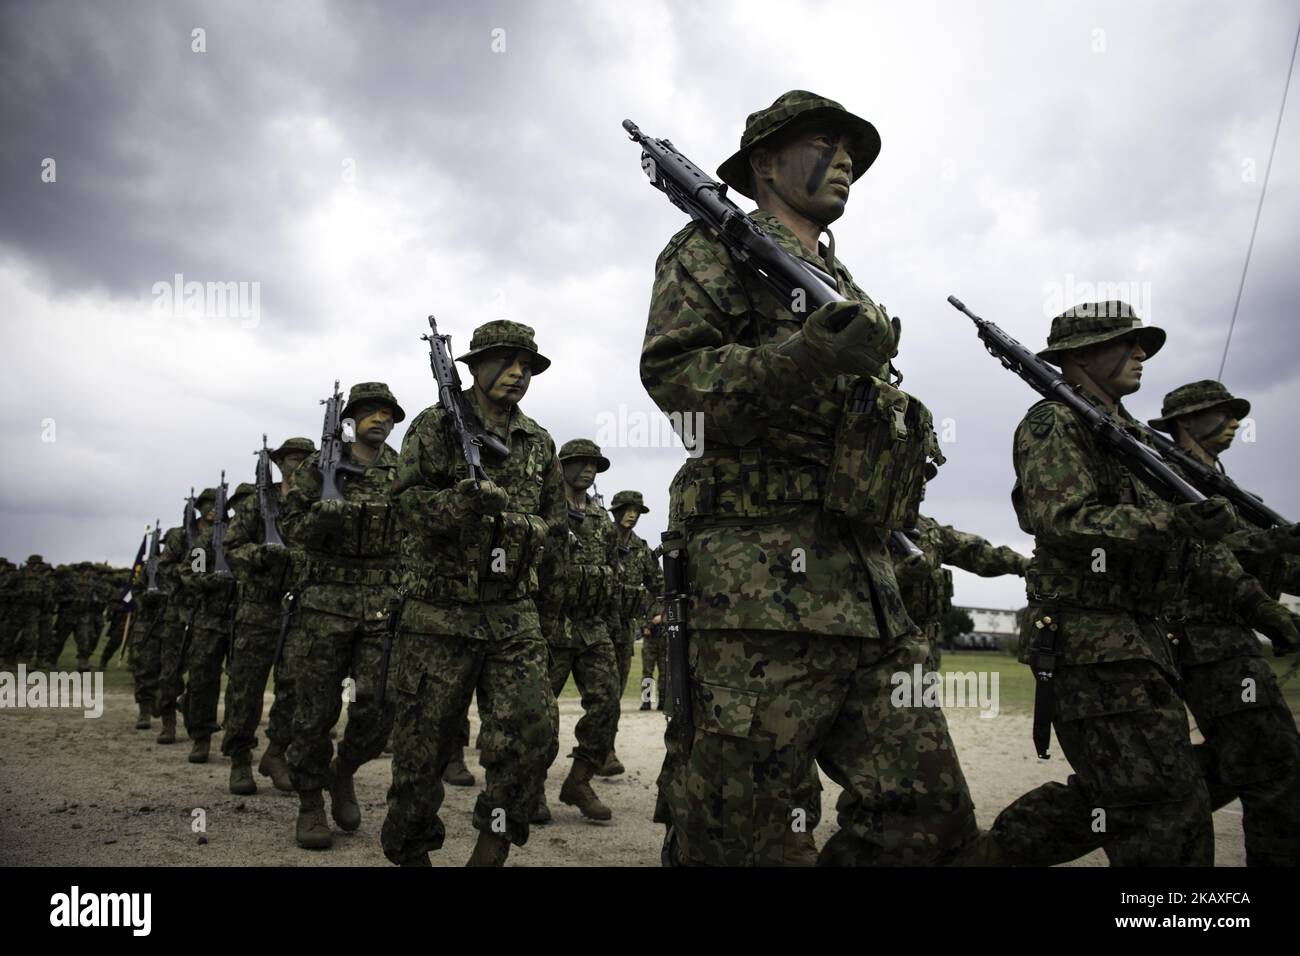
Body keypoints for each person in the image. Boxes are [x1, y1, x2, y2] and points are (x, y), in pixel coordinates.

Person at [640, 90, 976, 865]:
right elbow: (680, 387)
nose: (846, 160)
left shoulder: (841, 280)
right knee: (742, 838)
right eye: (825, 143)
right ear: (764, 164)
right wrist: (807, 355)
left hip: (870, 588)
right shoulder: (712, 248)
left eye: (851, 150)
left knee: (930, 820)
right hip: (759, 592)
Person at [981, 303, 1298, 866]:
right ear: (1080, 356)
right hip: (1092, 642)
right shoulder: (1055, 422)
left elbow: (1196, 548)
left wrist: (1264, 607)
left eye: (1141, 345)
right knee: (1160, 809)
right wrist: (1174, 522)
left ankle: (986, 855)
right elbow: (1063, 519)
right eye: (1124, 343)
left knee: (1156, 798)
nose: (1141, 354)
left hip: (1142, 640)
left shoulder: (1133, 437)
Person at [380, 320, 564, 867]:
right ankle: (411, 851)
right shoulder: (435, 426)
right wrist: (459, 503)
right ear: (475, 366)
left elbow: (557, 533)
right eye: (506, 362)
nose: (518, 374)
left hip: (513, 613)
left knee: (532, 734)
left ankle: (492, 848)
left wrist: (549, 610)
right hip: (438, 612)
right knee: (422, 747)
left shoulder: (538, 442)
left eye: (527, 366)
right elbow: (404, 505)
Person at [280, 383, 403, 850]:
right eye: (371, 411)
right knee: (313, 710)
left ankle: (343, 769)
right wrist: (321, 518)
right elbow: (288, 528)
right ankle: (311, 802)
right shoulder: (319, 466)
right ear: (351, 419)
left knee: (380, 704)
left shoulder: (402, 470)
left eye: (387, 413)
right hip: (323, 604)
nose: (381, 419)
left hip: (381, 605)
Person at [220, 439, 314, 794]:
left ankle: (277, 752)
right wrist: (260, 555)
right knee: (245, 689)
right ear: (279, 463)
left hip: (300, 610)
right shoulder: (258, 504)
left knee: (295, 688)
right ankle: (239, 759)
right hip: (257, 611)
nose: (299, 465)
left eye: (306, 459)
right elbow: (231, 547)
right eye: (293, 458)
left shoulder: (316, 503)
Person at [534, 438, 621, 823]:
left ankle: (579, 779)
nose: (588, 469)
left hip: (591, 626)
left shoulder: (603, 521)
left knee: (607, 703)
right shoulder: (545, 513)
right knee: (538, 713)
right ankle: (531, 786)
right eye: (581, 462)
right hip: (550, 626)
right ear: (562, 466)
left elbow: (613, 574)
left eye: (594, 465)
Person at [893, 514, 1029, 669]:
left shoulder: (925, 529)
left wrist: (1024, 564)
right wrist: (901, 575)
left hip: (923, 652)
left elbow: (974, 552)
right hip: (883, 651)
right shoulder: (874, 530)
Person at [605, 490, 662, 768]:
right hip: (594, 628)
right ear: (616, 511)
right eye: (627, 509)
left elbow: (659, 585)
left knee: (613, 695)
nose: (632, 515)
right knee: (600, 694)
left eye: (636, 511)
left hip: (623, 633)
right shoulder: (600, 539)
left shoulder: (642, 549)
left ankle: (606, 749)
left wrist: (660, 613)